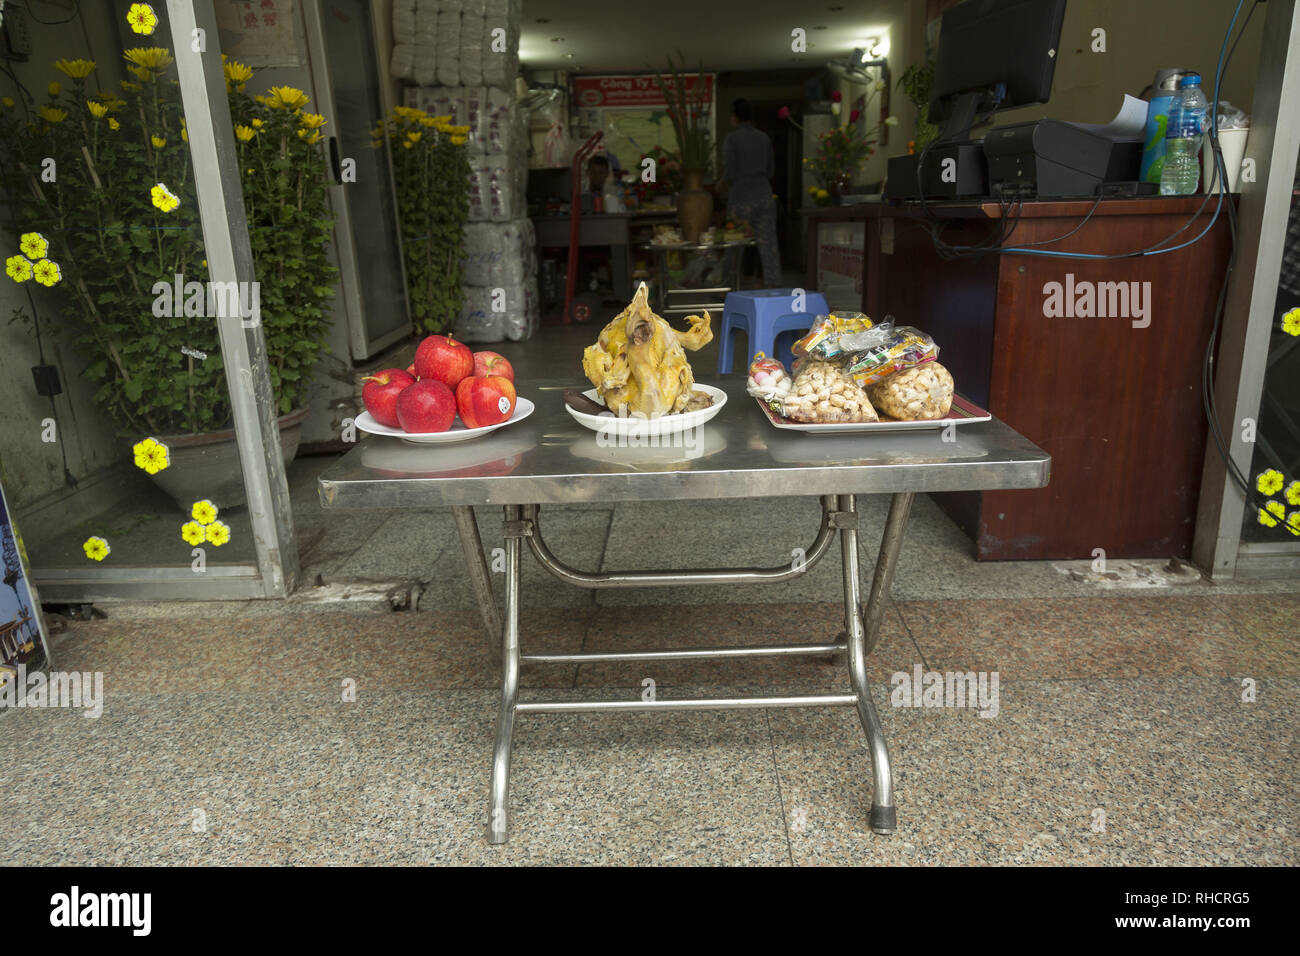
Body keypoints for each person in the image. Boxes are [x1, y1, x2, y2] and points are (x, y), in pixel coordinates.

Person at [722, 98, 780, 288]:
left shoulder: (732, 139)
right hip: (764, 194)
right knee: (768, 245)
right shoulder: (764, 138)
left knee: (734, 244)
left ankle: (728, 286)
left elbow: (729, 172)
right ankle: (774, 287)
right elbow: (771, 170)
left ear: (735, 117)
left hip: (741, 197)